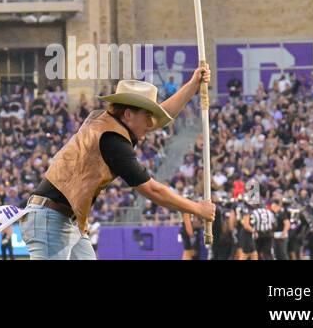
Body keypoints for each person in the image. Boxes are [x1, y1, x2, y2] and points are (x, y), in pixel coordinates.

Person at [20, 68, 216, 260]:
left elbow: (161, 116)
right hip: (51, 218)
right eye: (147, 116)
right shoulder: (112, 140)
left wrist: (192, 86)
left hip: (65, 219)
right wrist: (197, 209)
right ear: (128, 115)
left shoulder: (106, 121)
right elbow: (151, 190)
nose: (150, 123)